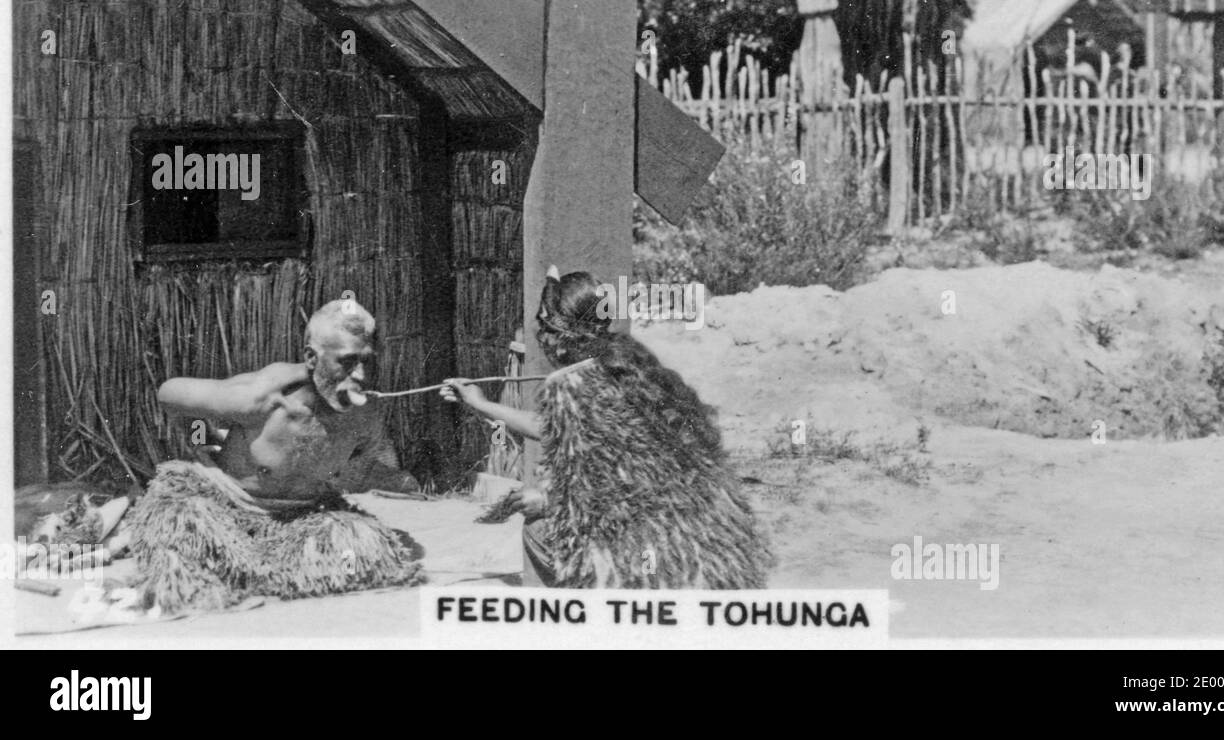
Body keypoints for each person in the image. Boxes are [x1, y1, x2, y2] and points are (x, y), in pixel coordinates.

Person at [442, 270, 771, 589]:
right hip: (714, 534)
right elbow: (555, 429)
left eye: (543, 324)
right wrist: (481, 404)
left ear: (558, 337)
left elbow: (609, 487)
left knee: (540, 530)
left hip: (663, 548)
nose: (539, 333)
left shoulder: (571, 385)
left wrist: (546, 501)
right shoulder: (625, 359)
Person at [127, 300, 420, 614]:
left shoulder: (366, 414)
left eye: (367, 362)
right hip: (228, 508)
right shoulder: (260, 398)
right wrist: (203, 432)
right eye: (347, 362)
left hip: (302, 517)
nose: (360, 375)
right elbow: (168, 393)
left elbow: (357, 466)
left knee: (365, 550)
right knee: (185, 551)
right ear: (312, 357)